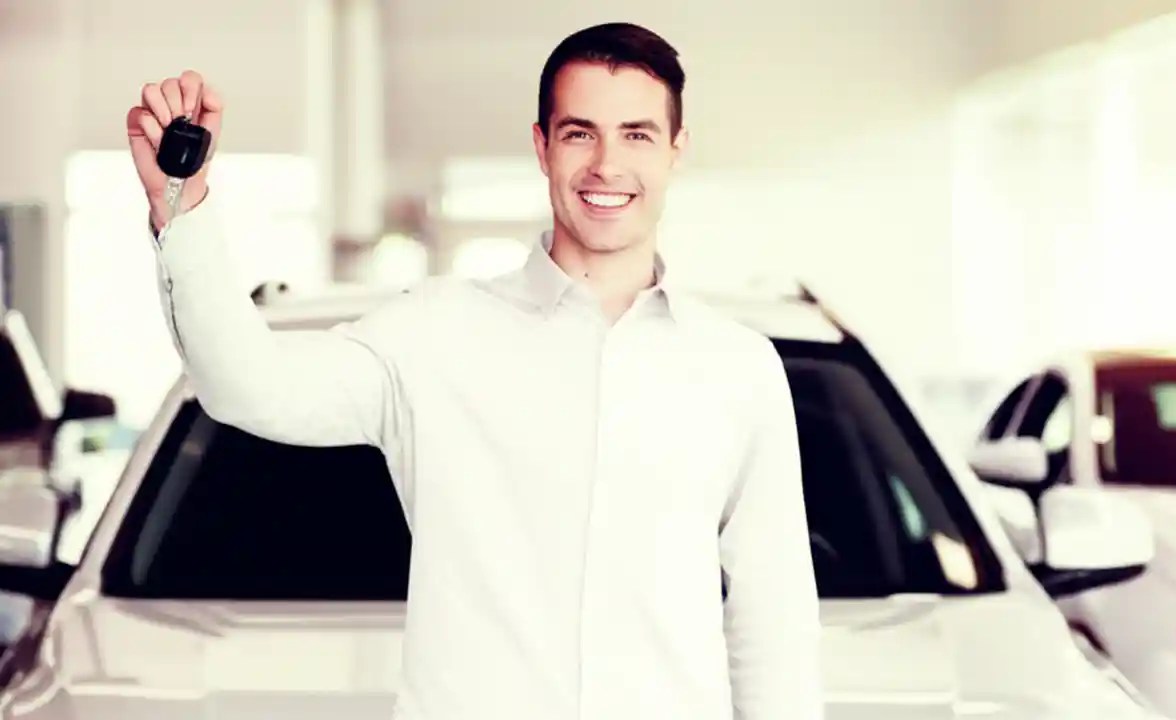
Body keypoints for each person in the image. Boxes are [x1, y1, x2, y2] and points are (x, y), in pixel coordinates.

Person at [125, 21, 822, 720]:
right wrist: (179, 204)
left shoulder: (738, 369)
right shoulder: (434, 334)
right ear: (542, 147)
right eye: (580, 132)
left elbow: (775, 625)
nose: (607, 164)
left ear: (676, 151)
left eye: (636, 134)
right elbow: (250, 387)